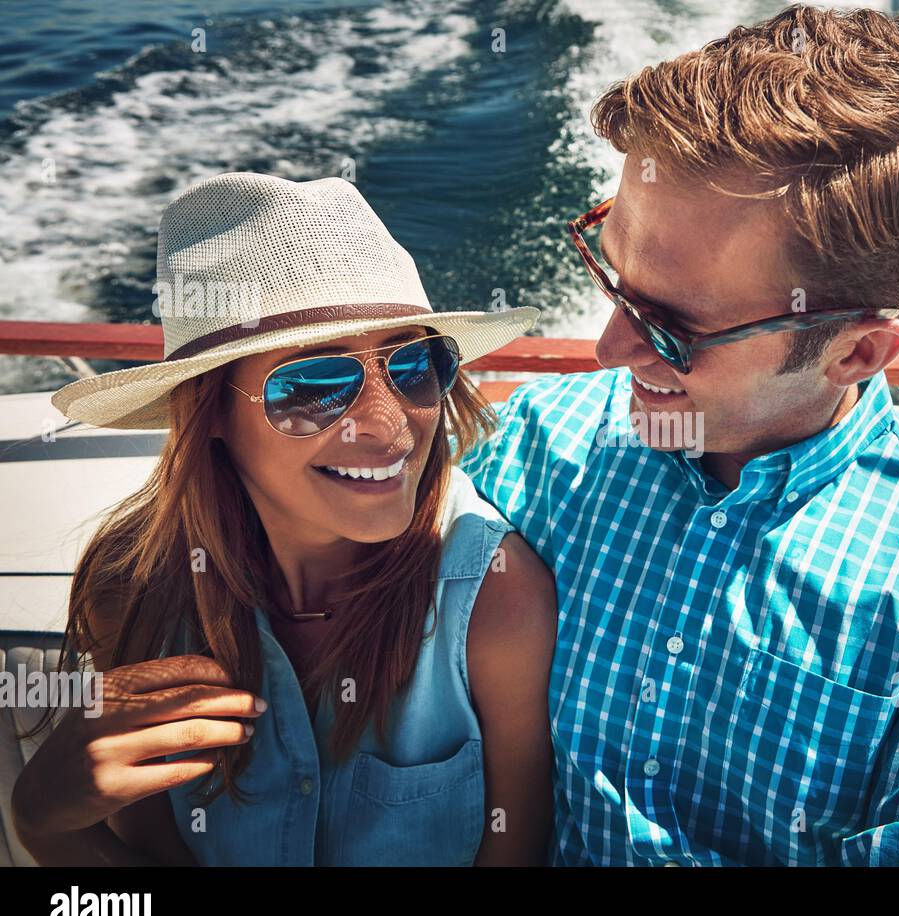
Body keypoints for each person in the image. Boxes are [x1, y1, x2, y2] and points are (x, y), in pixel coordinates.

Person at [459, 5, 899, 865]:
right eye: (611, 269)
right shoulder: (532, 450)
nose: (609, 350)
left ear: (857, 351)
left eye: (672, 327)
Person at [12, 172, 556, 866]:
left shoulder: (494, 600)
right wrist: (46, 823)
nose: (389, 429)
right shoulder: (135, 590)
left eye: (414, 365)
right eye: (312, 386)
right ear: (208, 413)